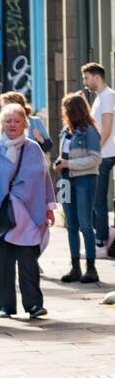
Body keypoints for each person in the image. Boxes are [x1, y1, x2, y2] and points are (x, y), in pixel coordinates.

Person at [0, 103, 57, 319]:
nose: (13, 125)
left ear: (25, 124)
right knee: (3, 265)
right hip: (2, 216)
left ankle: (34, 305)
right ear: (2, 124)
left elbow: (44, 179)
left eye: (17, 121)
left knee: (28, 263)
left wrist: (49, 207)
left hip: (29, 216)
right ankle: (5, 306)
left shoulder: (33, 148)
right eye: (8, 121)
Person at [56, 91, 102, 283]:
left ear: (74, 110)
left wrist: (69, 165)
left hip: (84, 181)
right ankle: (74, 266)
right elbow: (64, 156)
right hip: (65, 181)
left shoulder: (90, 131)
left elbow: (95, 159)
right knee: (71, 225)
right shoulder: (65, 132)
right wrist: (59, 163)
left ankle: (91, 268)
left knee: (85, 224)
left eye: (66, 109)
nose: (64, 113)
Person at [82, 62, 115, 257]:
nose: (85, 82)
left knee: (98, 200)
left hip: (105, 155)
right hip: (102, 154)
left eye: (86, 77)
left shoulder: (107, 96)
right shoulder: (101, 98)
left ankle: (101, 243)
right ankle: (105, 236)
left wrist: (95, 152)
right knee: (97, 199)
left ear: (96, 76)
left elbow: (107, 128)